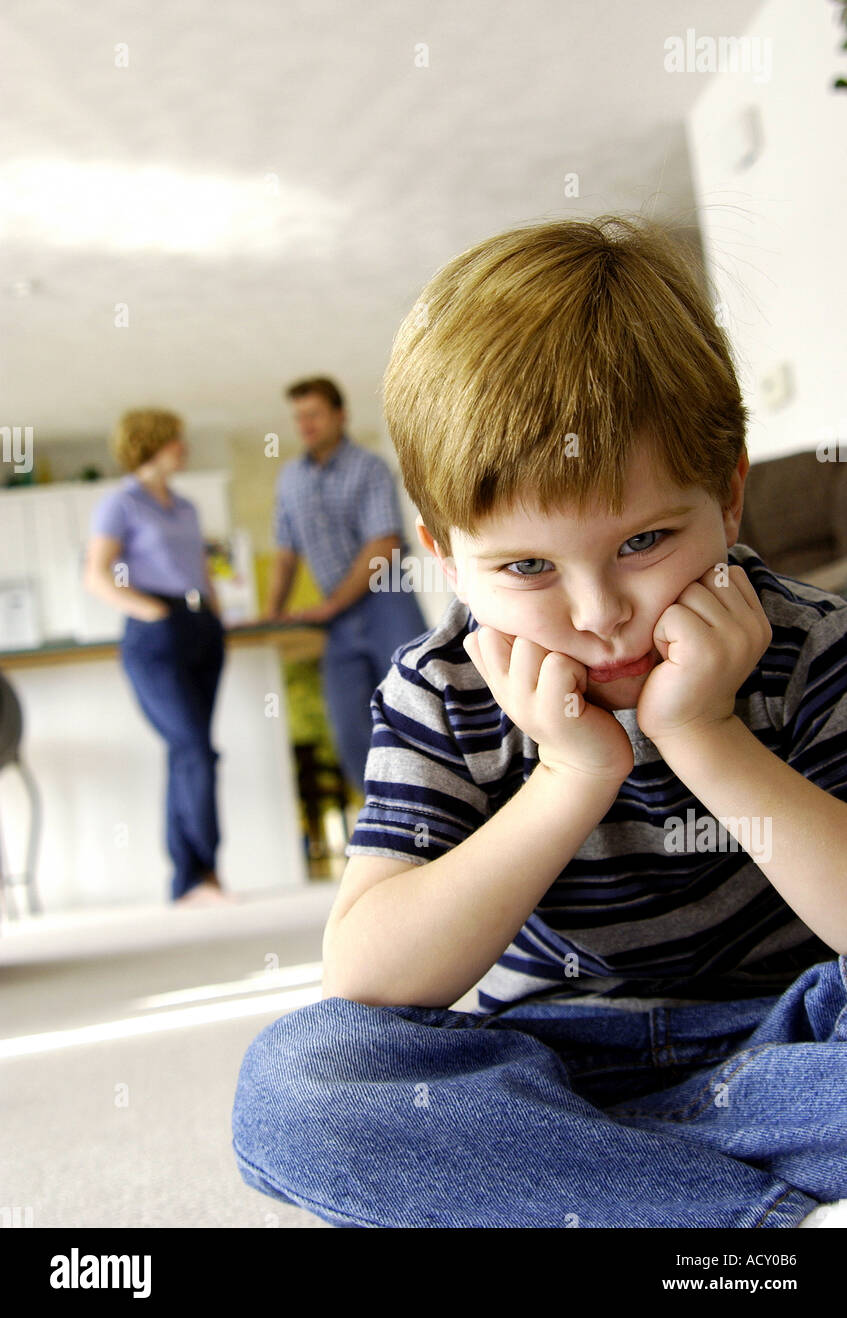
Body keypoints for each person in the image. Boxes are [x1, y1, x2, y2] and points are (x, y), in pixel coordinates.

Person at [231, 215, 847, 1228]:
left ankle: (619, 1196)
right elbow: (371, 976)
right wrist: (568, 780)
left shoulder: (810, 646)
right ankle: (766, 1221)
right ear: (443, 556)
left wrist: (706, 737)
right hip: (547, 1070)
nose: (600, 613)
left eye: (644, 540)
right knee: (299, 1086)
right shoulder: (439, 692)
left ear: (728, 495)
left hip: (793, 1040)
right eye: (525, 567)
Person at [84, 409, 230, 906]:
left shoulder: (186, 506)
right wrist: (151, 611)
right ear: (151, 444)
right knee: (196, 751)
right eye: (176, 440)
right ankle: (203, 874)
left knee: (187, 752)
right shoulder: (119, 504)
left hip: (202, 629)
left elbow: (199, 568)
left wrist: (214, 612)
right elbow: (96, 574)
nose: (184, 448)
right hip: (156, 637)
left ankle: (185, 882)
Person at [263, 376, 429, 793]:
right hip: (336, 621)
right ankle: (385, 817)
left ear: (340, 415)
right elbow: (285, 554)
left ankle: (444, 809)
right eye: (299, 416)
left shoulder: (369, 468)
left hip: (387, 602)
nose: (305, 424)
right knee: (350, 729)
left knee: (417, 704)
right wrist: (271, 615)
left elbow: (385, 543)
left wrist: (332, 605)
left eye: (314, 413)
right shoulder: (290, 480)